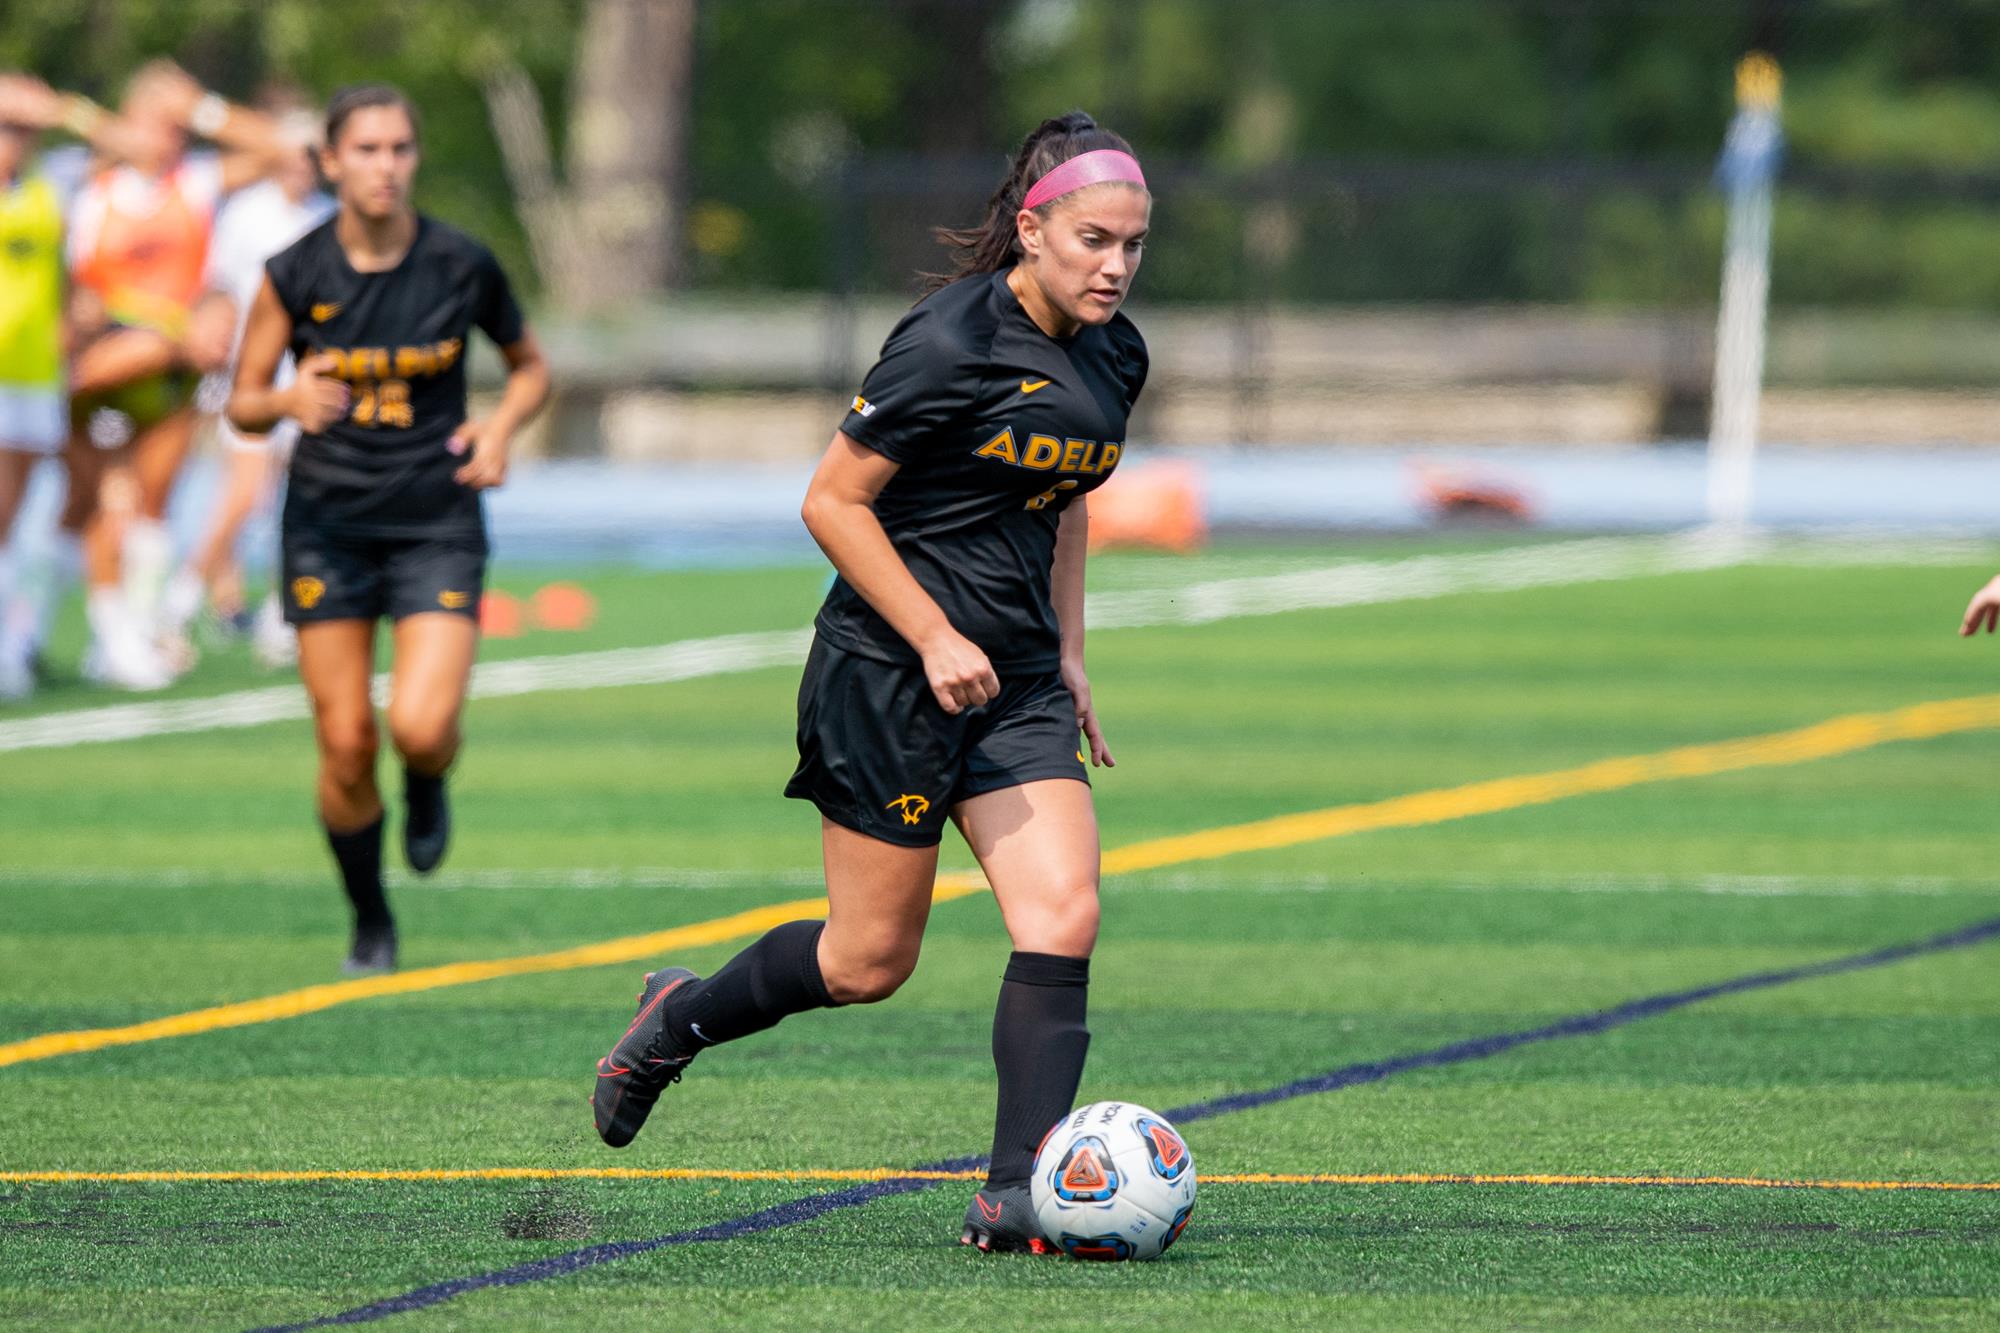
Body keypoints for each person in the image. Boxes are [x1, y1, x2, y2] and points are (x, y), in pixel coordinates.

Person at [589, 112, 1150, 1255]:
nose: (1115, 267)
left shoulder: (1115, 351)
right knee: (865, 963)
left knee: (1063, 913)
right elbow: (830, 502)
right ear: (1030, 230)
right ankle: (673, 1019)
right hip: (890, 677)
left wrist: (1072, 649)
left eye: (1133, 245)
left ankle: (1013, 1195)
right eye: (1094, 240)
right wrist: (937, 634)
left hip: (1019, 682)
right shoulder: (947, 341)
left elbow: (1065, 491)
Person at [229, 84, 547, 975]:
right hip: (326, 524)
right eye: (365, 150)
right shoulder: (294, 271)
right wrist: (286, 398)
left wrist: (498, 427)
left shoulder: (459, 263)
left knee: (417, 724)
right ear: (330, 163)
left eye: (400, 148)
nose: (385, 166)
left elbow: (530, 369)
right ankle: (369, 918)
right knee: (343, 740)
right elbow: (245, 402)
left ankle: (431, 777)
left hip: (436, 521)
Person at [60, 61, 285, 688]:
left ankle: (133, 633)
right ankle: (101, 636)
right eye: (156, 125)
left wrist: (204, 106)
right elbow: (80, 295)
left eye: (175, 127)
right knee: (102, 502)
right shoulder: (93, 192)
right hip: (109, 369)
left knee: (155, 505)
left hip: (174, 378)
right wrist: (154, 332)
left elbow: (277, 151)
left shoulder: (195, 183)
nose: (169, 138)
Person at [162, 104, 334, 666]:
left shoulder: (329, 216)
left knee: (303, 500)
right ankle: (179, 603)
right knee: (244, 495)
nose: (301, 167)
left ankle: (284, 612)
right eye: (294, 155)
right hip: (254, 374)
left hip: (310, 374)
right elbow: (220, 291)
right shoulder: (246, 213)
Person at [0, 76, 73, 701]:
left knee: (21, 521)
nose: (12, 141)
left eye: (21, 130)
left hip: (35, 376)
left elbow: (124, 142)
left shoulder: (47, 193)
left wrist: (59, 108)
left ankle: (11, 648)